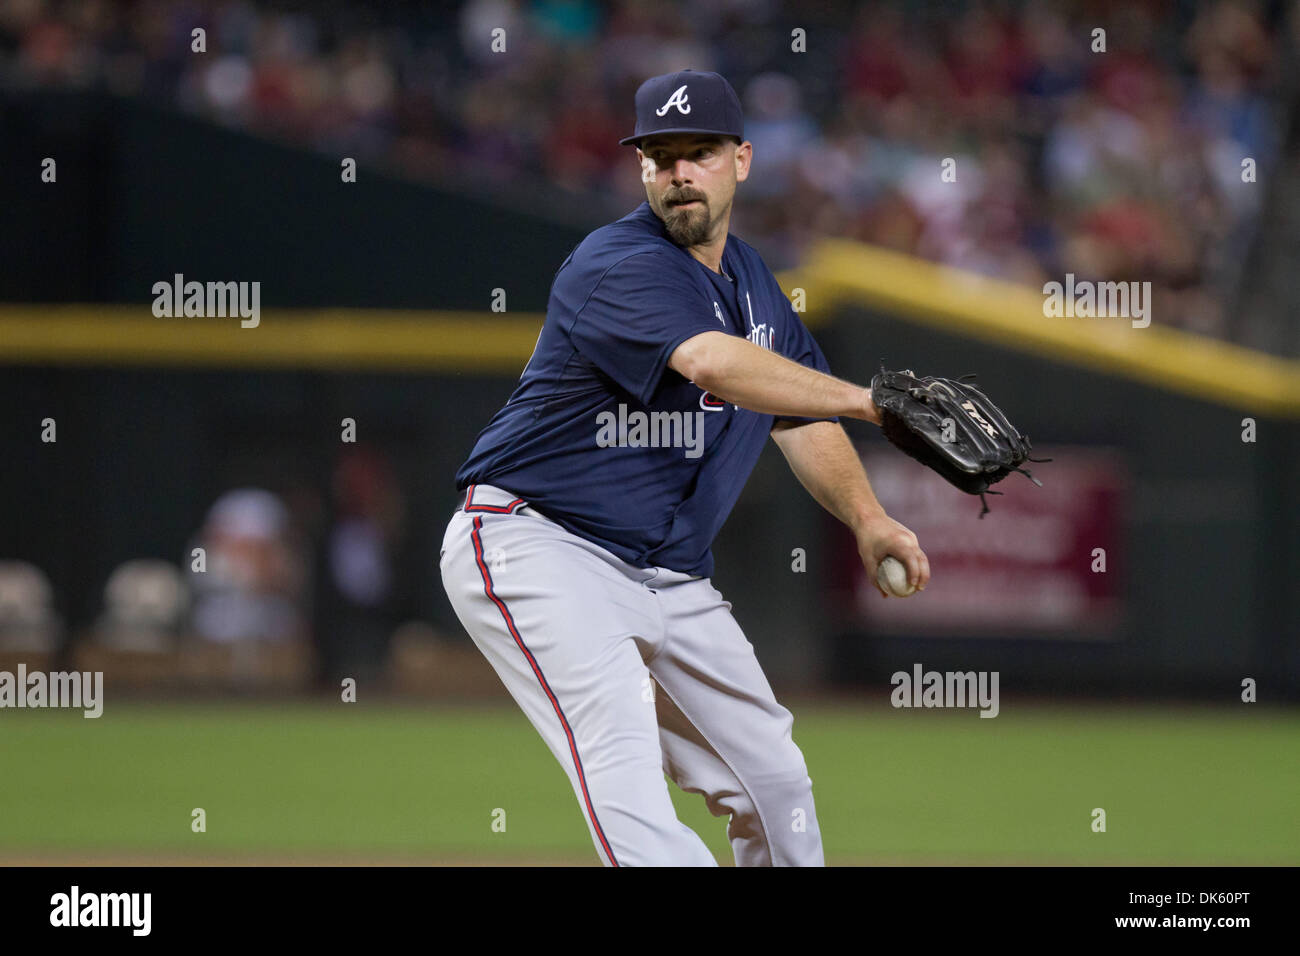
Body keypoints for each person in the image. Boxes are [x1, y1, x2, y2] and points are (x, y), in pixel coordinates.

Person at [440, 69, 929, 866]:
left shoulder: (755, 284)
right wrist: (872, 402)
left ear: (741, 160)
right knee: (621, 762)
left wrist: (869, 518)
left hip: (669, 573)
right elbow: (710, 364)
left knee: (774, 783)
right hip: (541, 545)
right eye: (659, 156)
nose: (679, 173)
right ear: (641, 170)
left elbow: (796, 413)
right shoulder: (615, 263)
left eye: (697, 152)